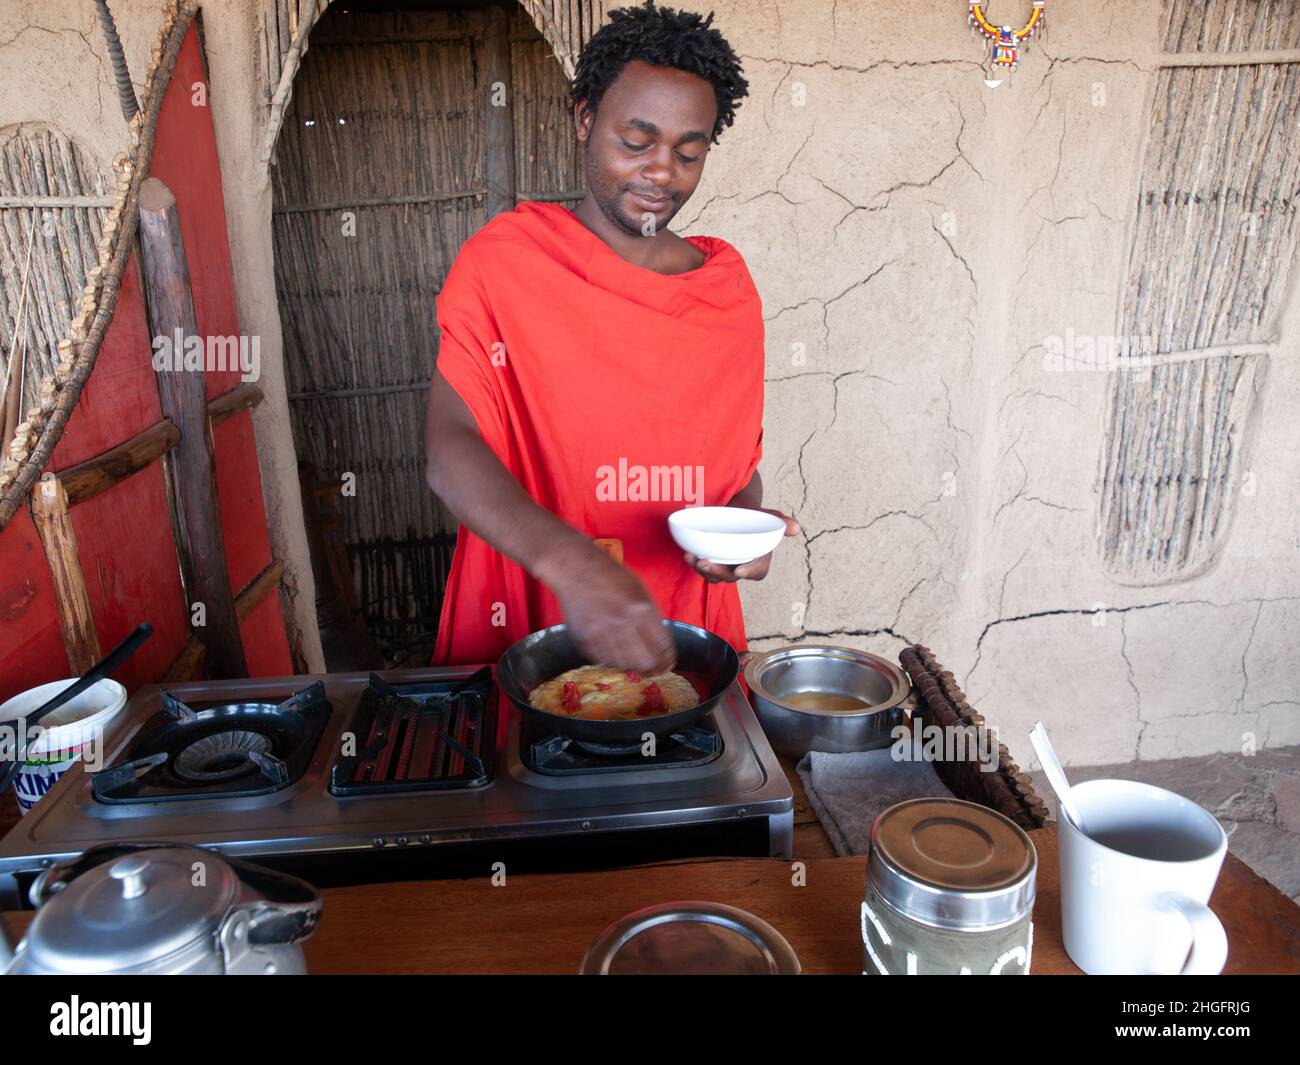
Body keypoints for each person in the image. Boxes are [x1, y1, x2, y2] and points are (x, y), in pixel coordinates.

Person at [425, 1, 799, 673]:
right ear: (585, 118)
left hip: (679, 634)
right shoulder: (506, 264)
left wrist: (743, 534)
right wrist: (572, 566)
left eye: (690, 153)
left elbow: (735, 470)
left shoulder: (724, 290)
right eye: (637, 142)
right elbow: (449, 447)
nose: (662, 173)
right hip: (534, 620)